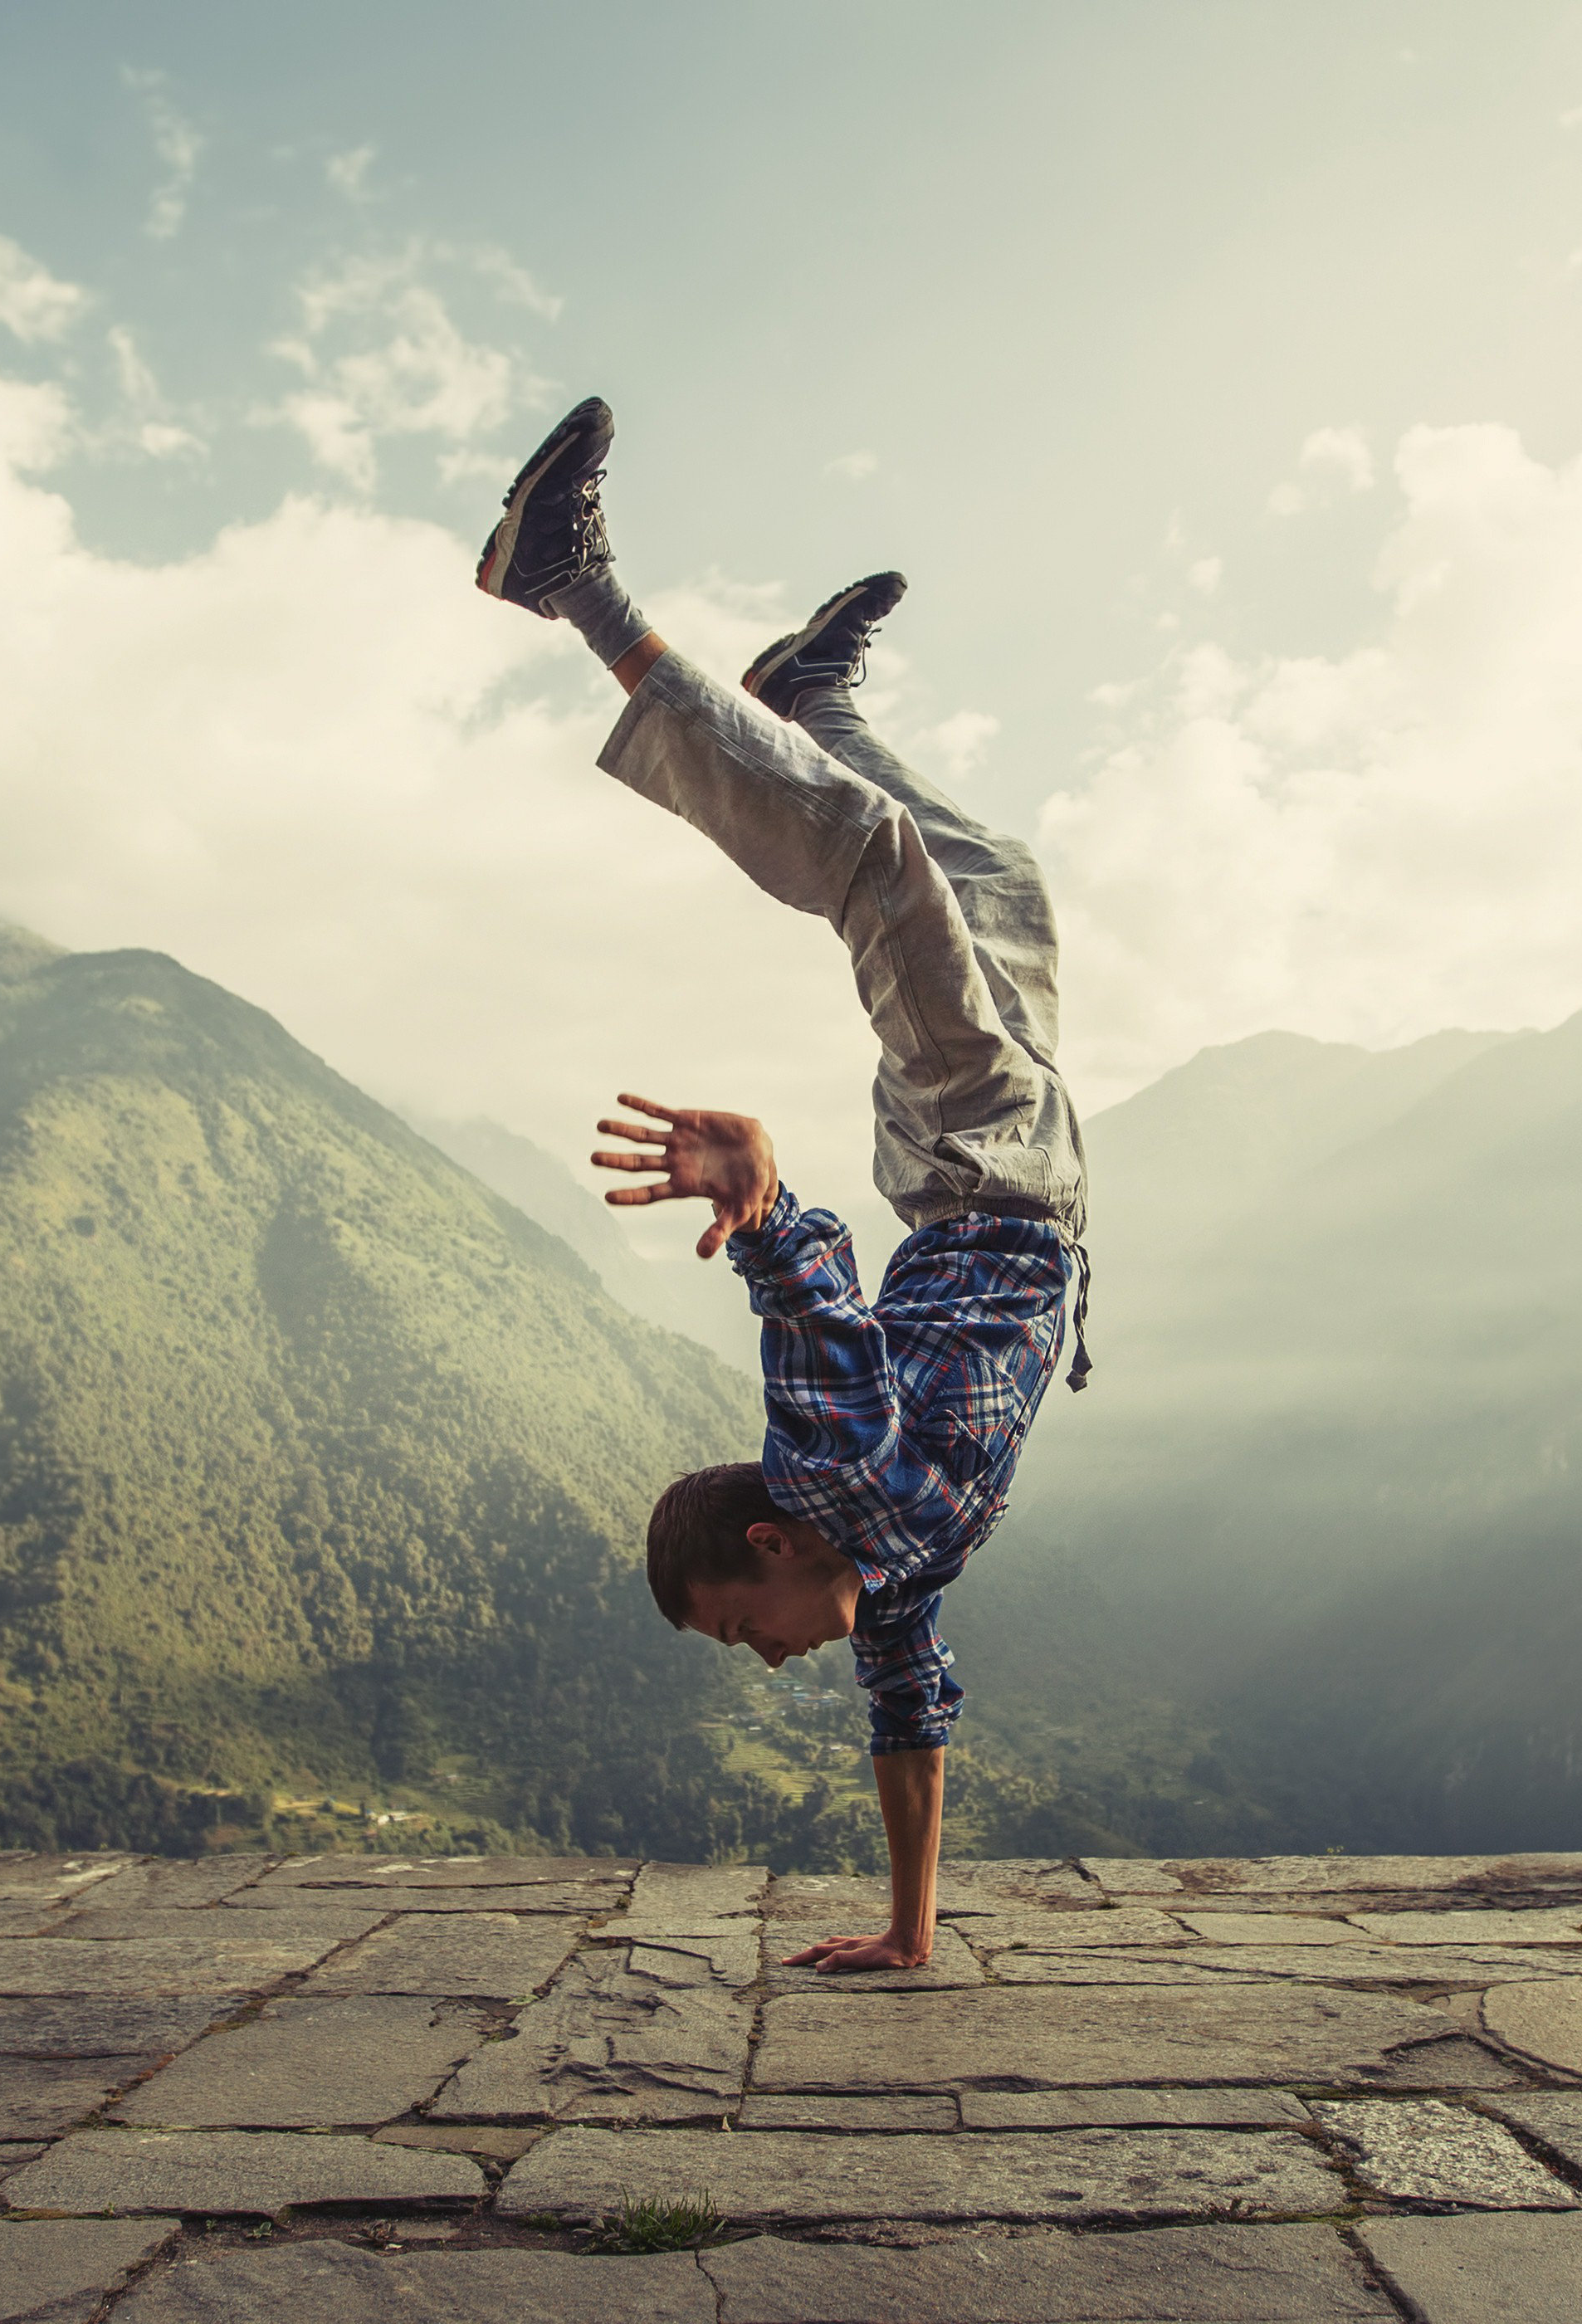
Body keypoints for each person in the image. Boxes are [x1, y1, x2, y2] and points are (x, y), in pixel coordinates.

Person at [474, 397, 1088, 1974]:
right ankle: (804, 699)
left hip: (978, 1161)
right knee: (997, 880)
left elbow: (814, 1313)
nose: (763, 1664)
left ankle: (571, 592)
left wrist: (758, 1205)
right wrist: (909, 1933)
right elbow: (914, 1728)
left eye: (743, 1635)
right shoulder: (887, 1576)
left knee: (882, 866)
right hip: (1012, 1178)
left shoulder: (832, 1489)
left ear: (766, 1552)